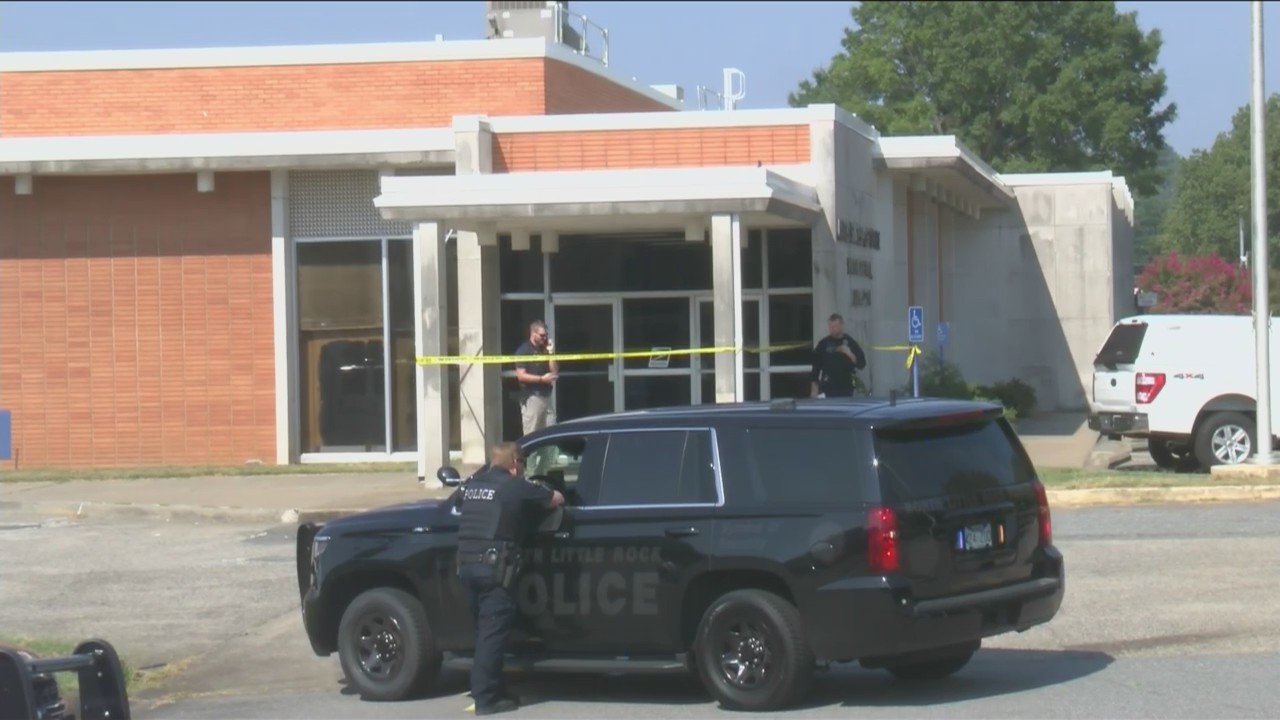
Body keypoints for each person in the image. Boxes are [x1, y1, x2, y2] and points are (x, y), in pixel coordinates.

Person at [452, 441, 564, 716]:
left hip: (466, 567)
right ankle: (486, 698)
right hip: (494, 570)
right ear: (515, 463)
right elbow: (555, 499)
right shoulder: (515, 486)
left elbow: (457, 503)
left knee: (483, 632)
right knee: (492, 634)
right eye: (523, 463)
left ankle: (493, 688)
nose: (523, 468)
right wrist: (542, 488)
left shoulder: (472, 485)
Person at [514, 320, 558, 436]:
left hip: (547, 397)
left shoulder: (545, 349)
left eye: (546, 335)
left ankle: (549, 455)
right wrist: (541, 379)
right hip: (532, 397)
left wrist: (551, 353)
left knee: (551, 433)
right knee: (532, 434)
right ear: (533, 334)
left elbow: (554, 371)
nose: (545, 338)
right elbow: (521, 376)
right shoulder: (523, 351)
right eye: (542, 335)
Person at [810, 313, 867, 398]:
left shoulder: (850, 342)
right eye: (830, 326)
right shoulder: (823, 343)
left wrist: (849, 353)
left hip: (846, 388)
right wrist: (814, 389)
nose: (832, 329)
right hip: (828, 387)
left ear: (842, 326)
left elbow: (862, 364)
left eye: (835, 326)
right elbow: (815, 367)